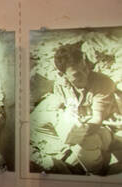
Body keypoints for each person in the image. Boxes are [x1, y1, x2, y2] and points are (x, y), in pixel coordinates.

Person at [36, 42, 118, 174]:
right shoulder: (60, 84)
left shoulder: (103, 82)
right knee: (36, 121)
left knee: (87, 141)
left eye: (85, 69)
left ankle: (98, 171)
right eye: (76, 74)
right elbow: (61, 107)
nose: (84, 75)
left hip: (101, 130)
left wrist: (78, 131)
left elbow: (97, 121)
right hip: (76, 128)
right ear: (62, 74)